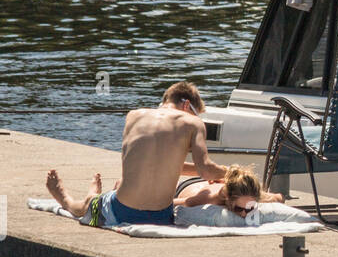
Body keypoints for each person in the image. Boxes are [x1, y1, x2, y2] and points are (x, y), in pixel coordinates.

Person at [46, 81, 228, 227]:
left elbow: (156, 164)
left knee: (99, 202)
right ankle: (66, 199)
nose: (197, 118)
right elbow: (207, 170)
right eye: (197, 114)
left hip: (122, 210)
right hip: (160, 216)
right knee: (86, 205)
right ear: (187, 104)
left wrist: (203, 172)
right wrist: (229, 172)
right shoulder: (193, 123)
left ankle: (90, 197)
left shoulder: (133, 115)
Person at [175, 164, 283, 216]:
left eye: (250, 209)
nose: (244, 214)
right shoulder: (209, 198)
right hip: (189, 185)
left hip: (225, 182)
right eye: (238, 209)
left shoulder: (251, 195)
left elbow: (279, 197)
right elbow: (173, 204)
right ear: (228, 200)